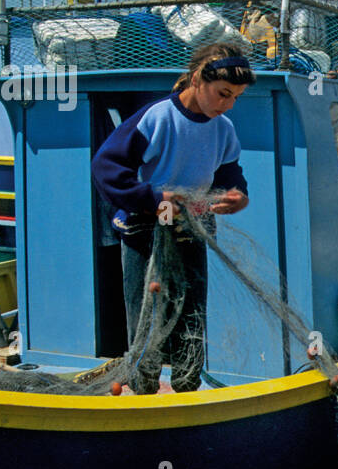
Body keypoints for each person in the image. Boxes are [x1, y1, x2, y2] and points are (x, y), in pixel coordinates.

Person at [91, 43, 252, 394]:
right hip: (148, 223)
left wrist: (237, 195)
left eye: (236, 98)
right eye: (223, 93)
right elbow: (107, 168)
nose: (228, 104)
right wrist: (152, 197)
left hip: (191, 225)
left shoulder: (222, 128)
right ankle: (144, 389)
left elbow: (229, 174)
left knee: (192, 312)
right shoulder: (158, 117)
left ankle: (186, 388)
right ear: (197, 79)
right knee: (149, 310)